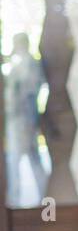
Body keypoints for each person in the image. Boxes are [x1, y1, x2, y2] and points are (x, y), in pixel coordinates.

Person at [3, 32, 48, 206]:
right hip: (20, 119)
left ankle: (15, 200)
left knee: (17, 161)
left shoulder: (27, 63)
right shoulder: (21, 63)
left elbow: (26, 93)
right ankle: (36, 198)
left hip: (22, 119)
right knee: (30, 159)